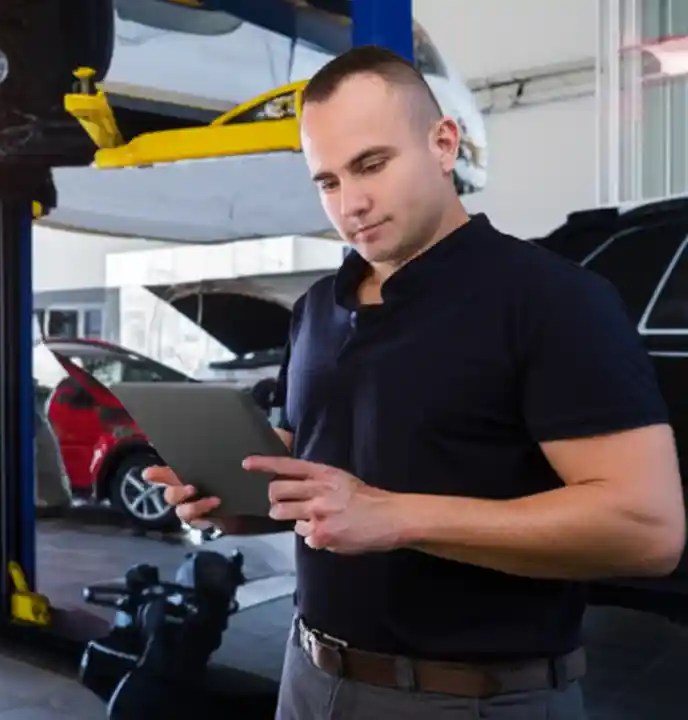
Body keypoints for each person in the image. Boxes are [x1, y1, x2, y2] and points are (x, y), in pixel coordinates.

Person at [145, 45, 685, 719]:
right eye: (329, 181)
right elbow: (315, 488)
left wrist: (396, 516)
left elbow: (648, 531)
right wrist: (226, 499)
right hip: (308, 678)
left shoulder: (552, 300)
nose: (353, 203)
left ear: (443, 143)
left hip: (475, 699)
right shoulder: (317, 310)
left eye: (372, 164)